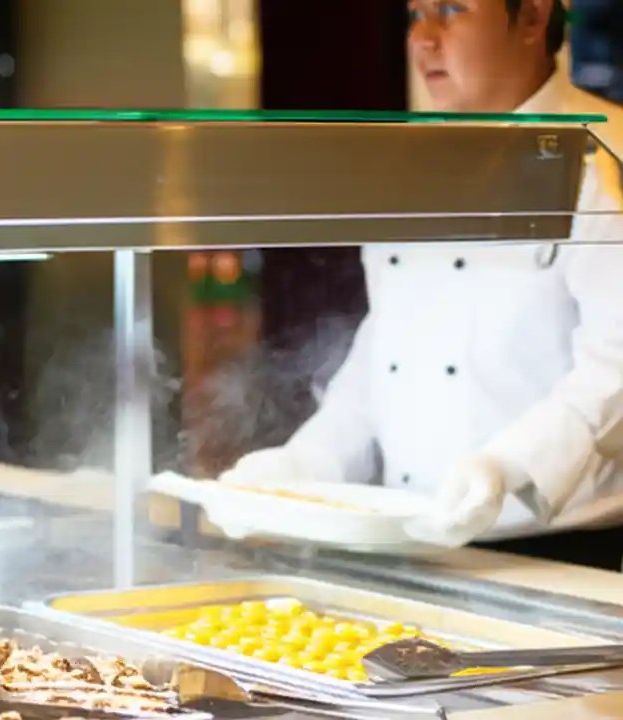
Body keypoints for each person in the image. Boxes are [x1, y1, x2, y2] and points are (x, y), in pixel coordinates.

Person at [220, 0, 623, 570]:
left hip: (567, 556)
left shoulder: (605, 157)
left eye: (451, 10)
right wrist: (307, 461)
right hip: (411, 542)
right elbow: (384, 352)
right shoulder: (407, 164)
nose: (424, 39)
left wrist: (508, 466)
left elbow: (616, 362)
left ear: (532, 19)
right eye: (415, 16)